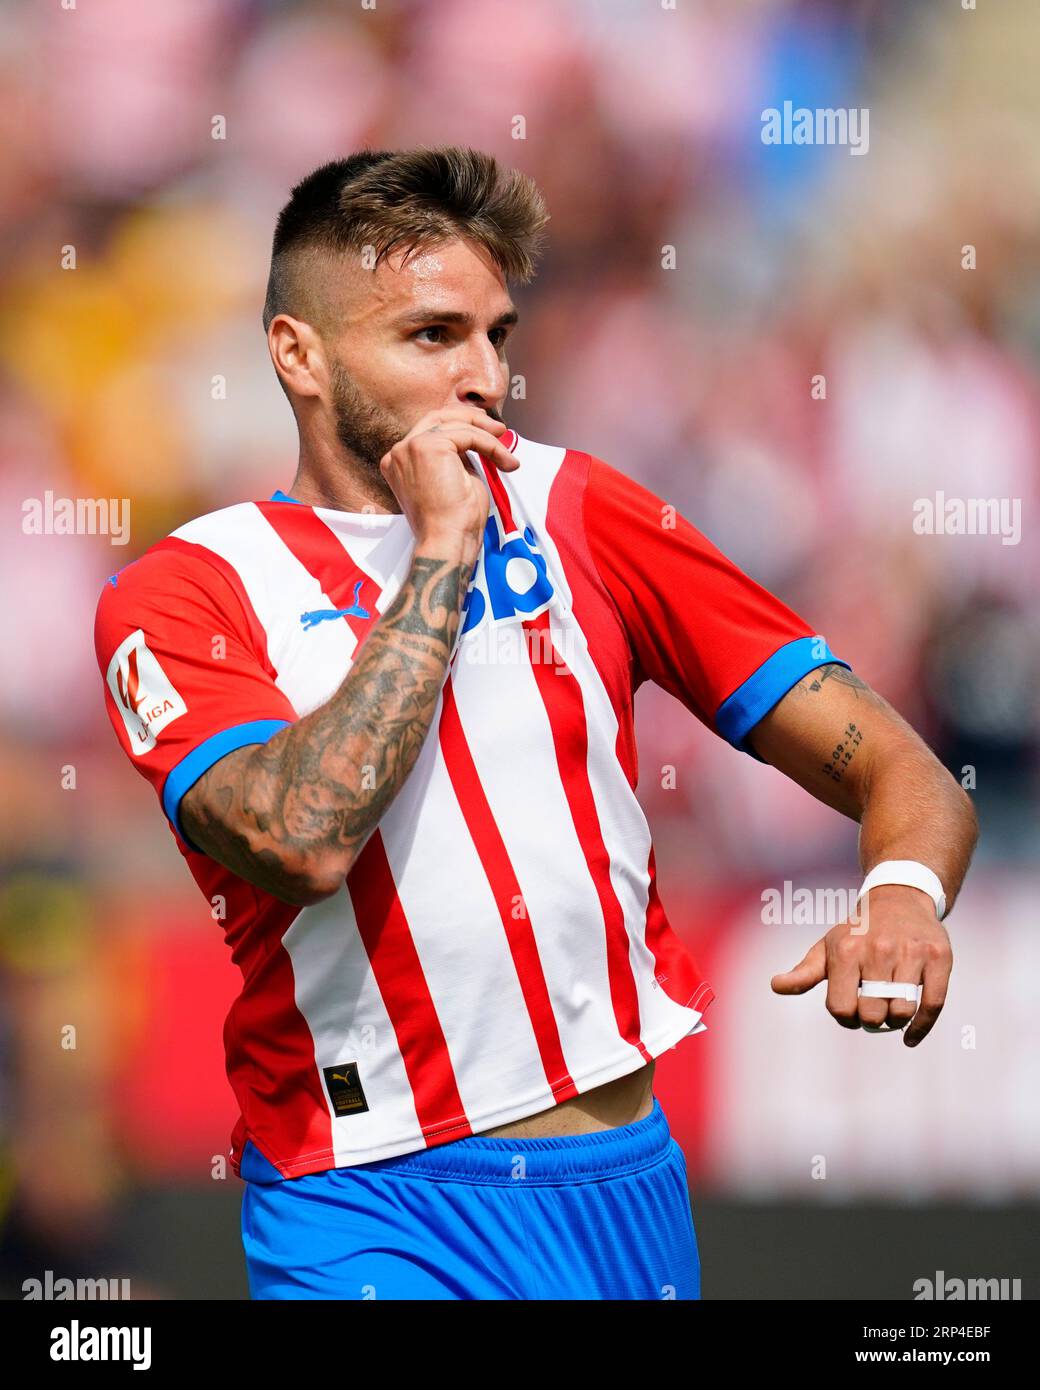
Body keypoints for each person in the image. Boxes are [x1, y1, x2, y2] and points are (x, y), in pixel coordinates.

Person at [94, 147, 978, 1300]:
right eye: (430, 337)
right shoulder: (186, 590)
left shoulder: (585, 511)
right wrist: (441, 553)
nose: (484, 378)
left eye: (495, 336)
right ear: (297, 356)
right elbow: (298, 837)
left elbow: (901, 769)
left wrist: (898, 896)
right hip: (367, 1203)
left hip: (622, 1192)